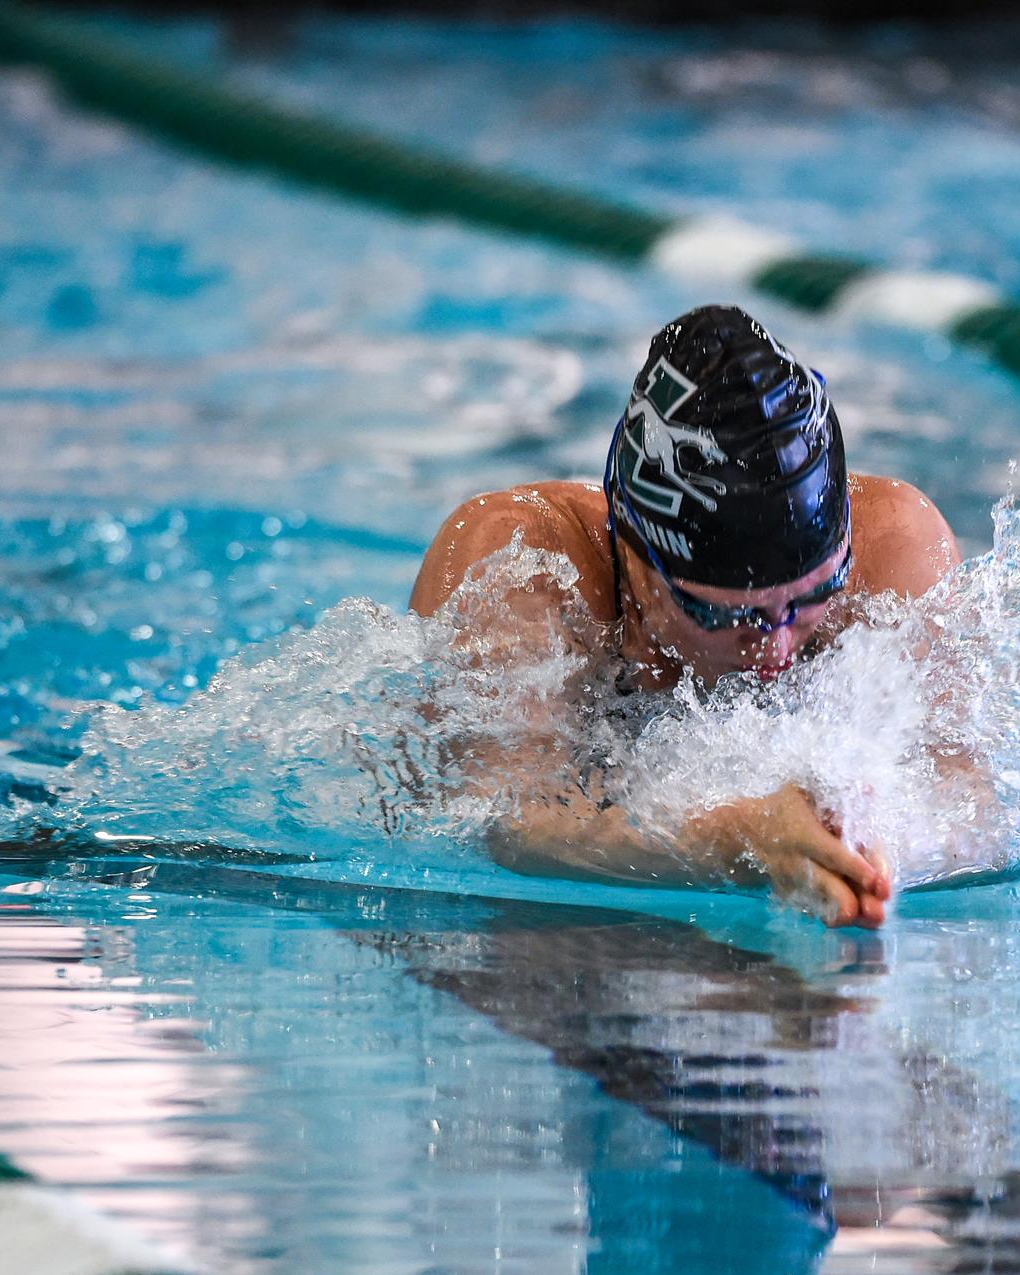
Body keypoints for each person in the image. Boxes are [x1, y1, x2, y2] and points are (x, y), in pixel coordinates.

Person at [409, 306, 960, 927]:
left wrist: (878, 847)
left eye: (814, 595)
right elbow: (506, 822)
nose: (777, 649)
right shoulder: (520, 565)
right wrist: (731, 841)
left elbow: (973, 800)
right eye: (727, 615)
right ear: (637, 559)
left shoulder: (895, 546)